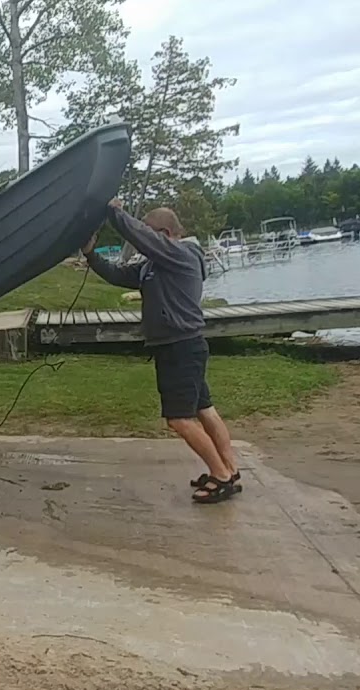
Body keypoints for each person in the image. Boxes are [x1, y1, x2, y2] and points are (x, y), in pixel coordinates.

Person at [81, 199, 242, 504]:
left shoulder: (181, 254)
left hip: (180, 347)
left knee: (178, 419)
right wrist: (90, 254)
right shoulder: (153, 266)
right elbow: (118, 275)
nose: (145, 244)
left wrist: (113, 211)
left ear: (166, 233)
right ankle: (230, 469)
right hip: (182, 346)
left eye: (151, 235)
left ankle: (220, 476)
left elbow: (141, 236)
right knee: (204, 410)